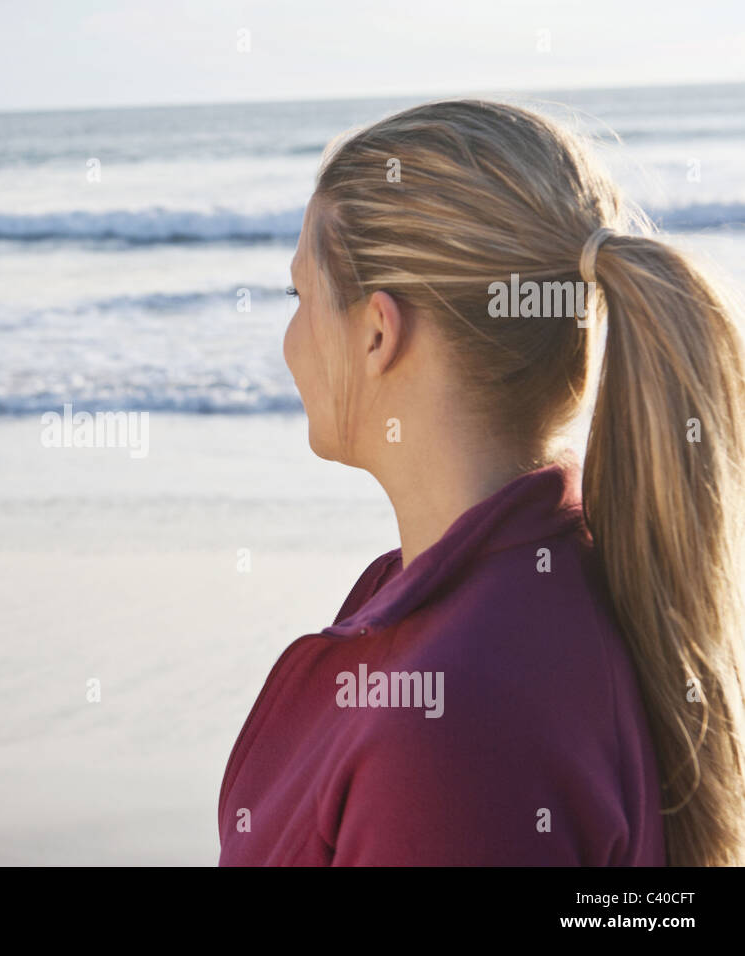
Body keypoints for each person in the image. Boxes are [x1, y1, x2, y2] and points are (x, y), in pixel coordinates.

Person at [219, 100, 745, 865]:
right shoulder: (526, 591)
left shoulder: (446, 726)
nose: (290, 340)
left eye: (301, 297)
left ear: (376, 332)